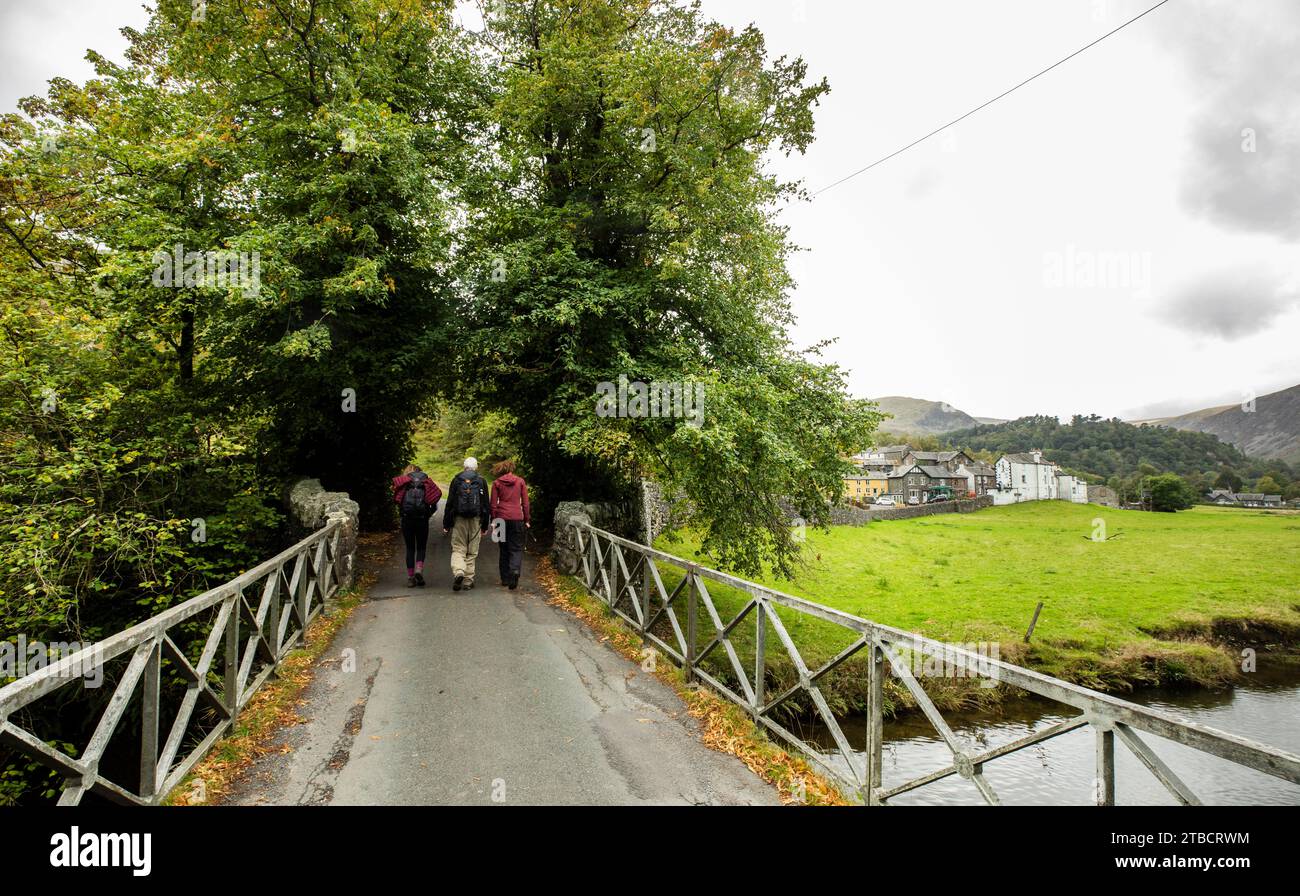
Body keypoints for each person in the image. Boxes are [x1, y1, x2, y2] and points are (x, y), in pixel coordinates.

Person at [442, 457, 490, 592]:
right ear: (476, 467)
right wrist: (485, 525)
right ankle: (468, 581)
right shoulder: (481, 481)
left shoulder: (457, 480)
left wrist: (446, 523)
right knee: (472, 550)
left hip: (459, 519)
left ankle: (459, 571)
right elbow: (486, 504)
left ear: (464, 466)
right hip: (476, 519)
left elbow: (450, 503)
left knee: (458, 548)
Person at [392, 465, 441, 588]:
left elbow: (397, 501)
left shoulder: (403, 482)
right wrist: (427, 515)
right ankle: (419, 569)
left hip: (407, 519)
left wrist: (403, 515)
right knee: (421, 547)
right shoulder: (426, 482)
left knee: (410, 548)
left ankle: (410, 578)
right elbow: (434, 503)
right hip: (422, 520)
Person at [489, 460, 530, 590]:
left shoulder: (497, 483)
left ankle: (505, 578)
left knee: (503, 548)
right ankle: (515, 571)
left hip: (501, 519)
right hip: (517, 518)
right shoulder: (520, 482)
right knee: (516, 548)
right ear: (512, 469)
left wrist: (494, 520)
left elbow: (493, 504)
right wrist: (527, 519)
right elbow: (525, 503)